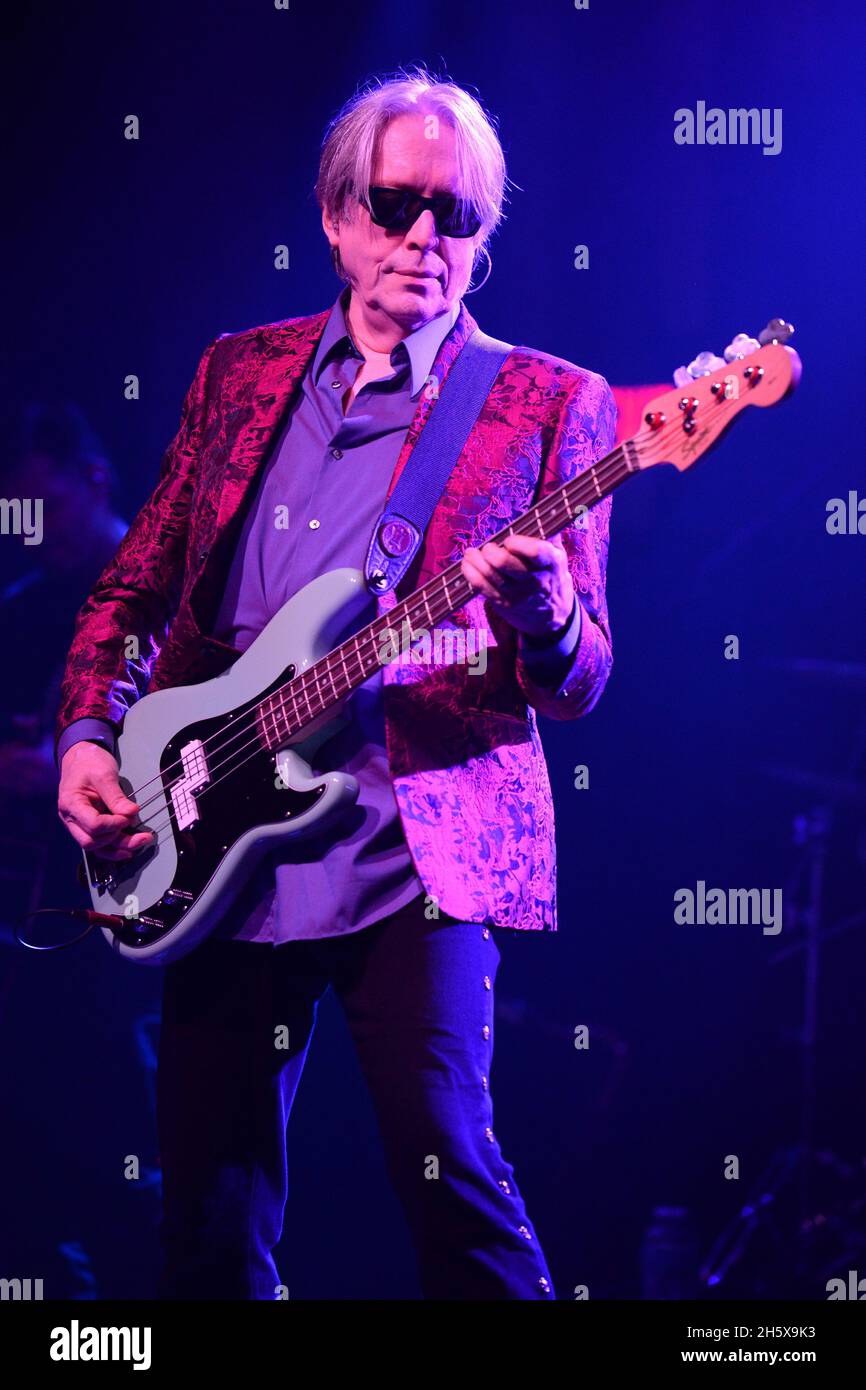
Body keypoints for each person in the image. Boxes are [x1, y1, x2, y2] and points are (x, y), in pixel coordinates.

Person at [55, 67, 616, 1300]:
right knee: (207, 1207)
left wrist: (546, 611)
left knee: (451, 1180)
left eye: (456, 214)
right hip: (211, 833)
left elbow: (576, 681)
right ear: (337, 216)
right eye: (397, 203)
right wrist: (90, 735)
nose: (425, 237)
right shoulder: (235, 373)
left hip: (408, 851)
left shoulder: (544, 404)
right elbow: (134, 588)